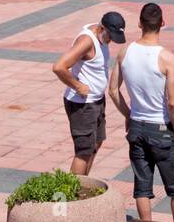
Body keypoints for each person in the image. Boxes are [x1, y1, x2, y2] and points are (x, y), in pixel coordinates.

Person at [108, 2, 174, 222]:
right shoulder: (167, 58)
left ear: (140, 23)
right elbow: (173, 102)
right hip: (161, 127)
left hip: (137, 126)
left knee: (142, 186)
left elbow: (113, 90)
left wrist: (128, 114)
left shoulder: (125, 52)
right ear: (163, 23)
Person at [52, 11, 126, 176]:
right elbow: (59, 67)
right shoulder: (87, 41)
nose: (111, 40)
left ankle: (84, 182)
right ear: (102, 28)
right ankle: (72, 193)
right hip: (82, 104)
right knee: (84, 151)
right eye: (110, 36)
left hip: (97, 101)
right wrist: (77, 85)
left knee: (96, 143)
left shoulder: (100, 34)